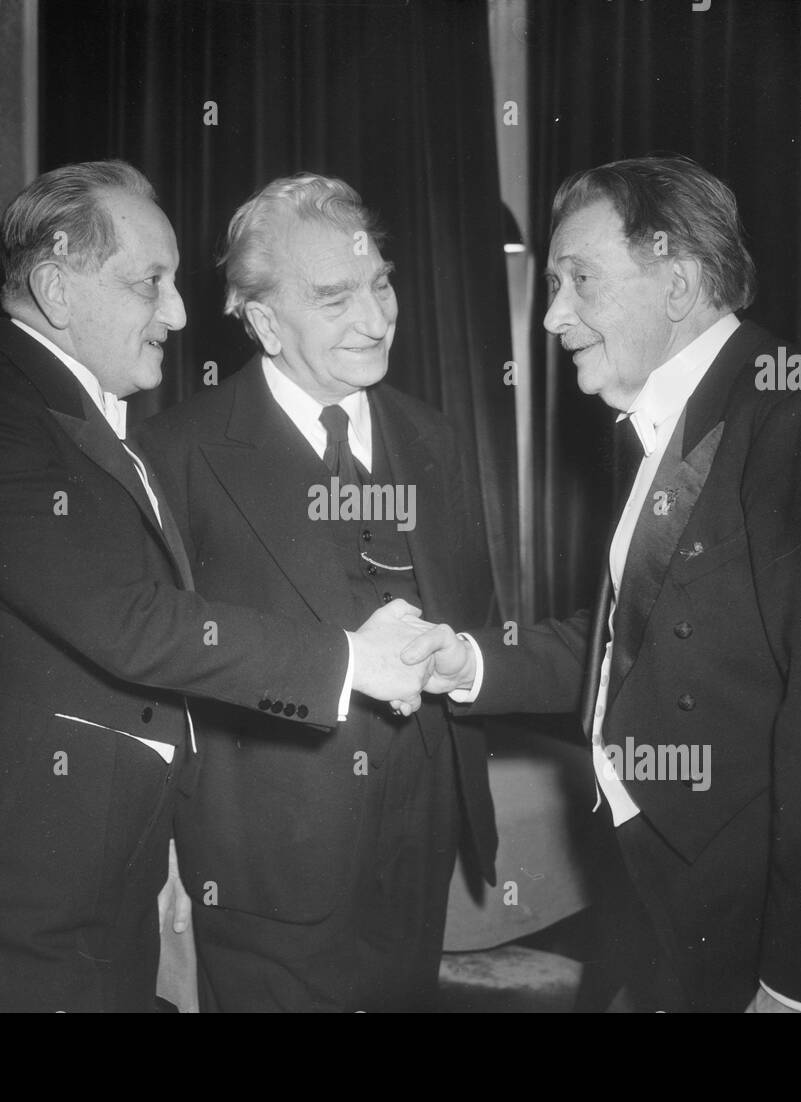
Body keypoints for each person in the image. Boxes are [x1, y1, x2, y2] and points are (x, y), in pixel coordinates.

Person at [0, 160, 435, 1012]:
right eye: (149, 282)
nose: (181, 313)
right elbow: (133, 622)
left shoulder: (71, 420)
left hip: (78, 890)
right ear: (55, 288)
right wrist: (351, 660)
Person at [407, 154, 801, 1012]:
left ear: (677, 283)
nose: (554, 316)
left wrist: (798, 988)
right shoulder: (670, 425)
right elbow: (637, 649)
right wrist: (470, 662)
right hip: (675, 895)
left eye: (579, 281)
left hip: (787, 937)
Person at [143, 174, 498, 1012]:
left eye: (380, 284)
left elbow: (473, 614)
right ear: (264, 321)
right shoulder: (177, 452)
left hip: (420, 838)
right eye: (336, 298)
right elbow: (159, 653)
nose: (376, 319)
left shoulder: (434, 437)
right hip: (268, 858)